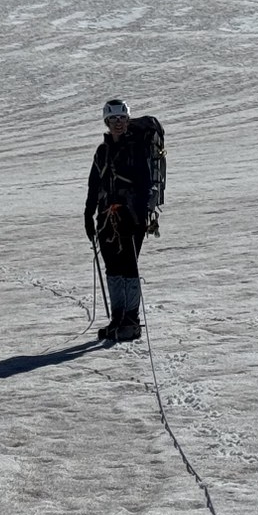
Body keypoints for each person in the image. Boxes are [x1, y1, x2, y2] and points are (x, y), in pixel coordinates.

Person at [84, 98, 165, 342]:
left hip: (131, 218)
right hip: (107, 220)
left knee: (129, 267)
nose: (118, 123)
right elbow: (93, 185)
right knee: (113, 268)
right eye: (114, 119)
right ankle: (118, 318)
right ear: (107, 122)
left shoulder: (136, 149)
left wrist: (138, 214)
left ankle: (131, 320)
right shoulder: (102, 151)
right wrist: (89, 215)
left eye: (122, 118)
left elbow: (145, 184)